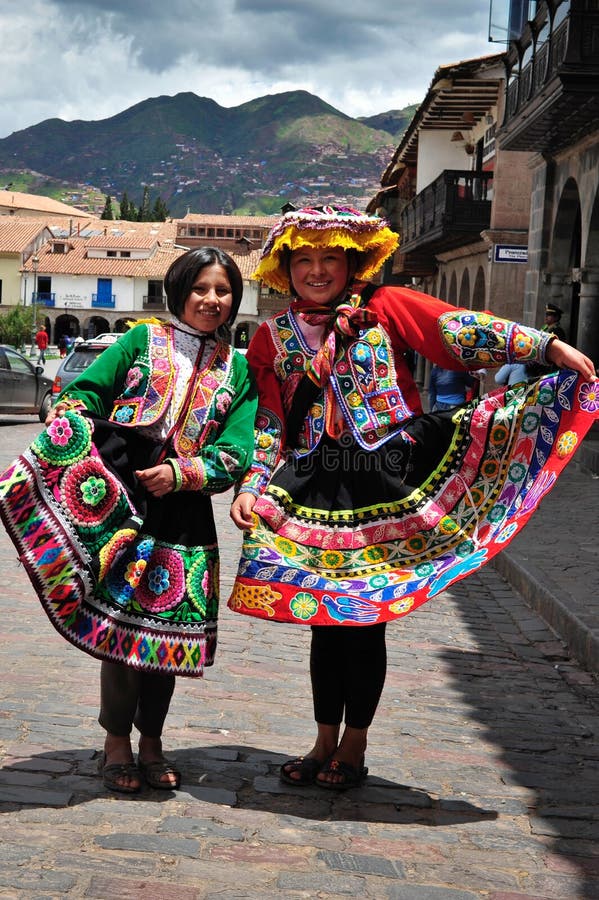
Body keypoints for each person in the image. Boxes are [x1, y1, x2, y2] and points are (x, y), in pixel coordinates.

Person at [228, 205, 598, 791]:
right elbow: (271, 422)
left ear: (352, 264)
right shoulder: (272, 340)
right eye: (305, 260)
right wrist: (253, 485)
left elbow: (457, 329)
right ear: (286, 269)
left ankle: (353, 746)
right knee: (325, 620)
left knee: (366, 617)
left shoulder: (385, 308)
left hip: (391, 478)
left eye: (330, 259)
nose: (317, 270)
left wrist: (545, 347)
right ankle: (323, 739)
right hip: (316, 485)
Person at [0, 247, 257, 794]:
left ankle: (153, 742)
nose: (212, 301)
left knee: (165, 636)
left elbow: (238, 450)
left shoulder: (237, 369)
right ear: (179, 291)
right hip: (118, 501)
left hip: (183, 513)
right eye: (201, 289)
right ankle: (117, 742)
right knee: (119, 630)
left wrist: (185, 471)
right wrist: (72, 421)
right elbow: (85, 392)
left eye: (224, 291)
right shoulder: (141, 341)